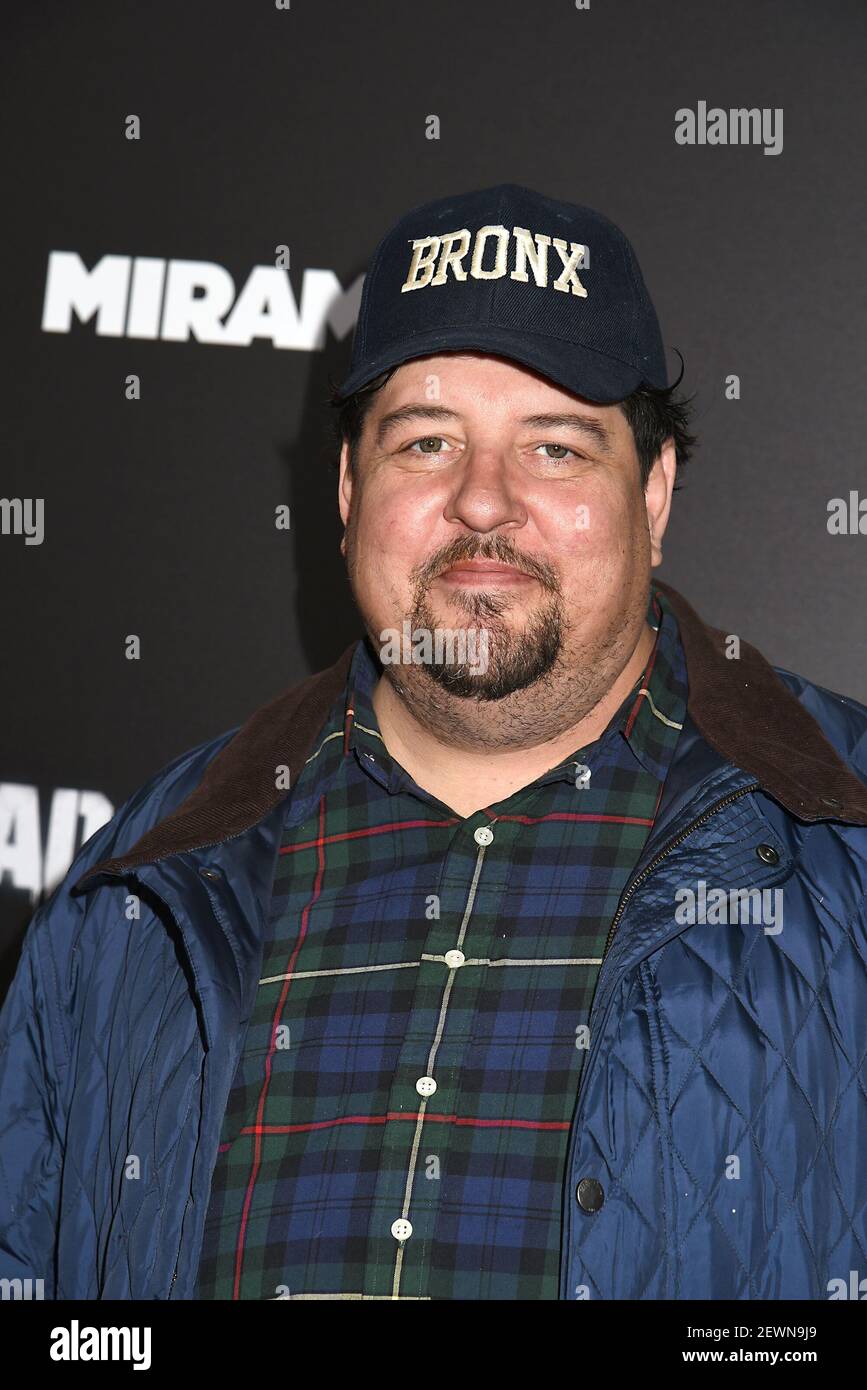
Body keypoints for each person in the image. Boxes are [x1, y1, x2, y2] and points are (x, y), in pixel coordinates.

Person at [2, 183, 866, 1301]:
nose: (484, 501)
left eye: (555, 447)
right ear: (351, 488)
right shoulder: (140, 890)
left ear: (654, 493)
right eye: (426, 441)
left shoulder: (843, 850)